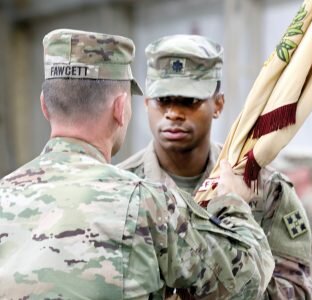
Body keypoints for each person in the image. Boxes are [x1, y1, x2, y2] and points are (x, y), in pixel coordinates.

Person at [0, 29, 275, 299]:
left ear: (44, 106)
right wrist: (232, 203)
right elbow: (244, 282)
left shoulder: (3, 196)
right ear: (121, 108)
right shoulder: (145, 202)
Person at [118, 34, 312, 299]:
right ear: (146, 103)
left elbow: (296, 293)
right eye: (163, 100)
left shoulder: (264, 188)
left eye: (189, 101)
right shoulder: (121, 188)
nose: (173, 113)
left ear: (218, 104)